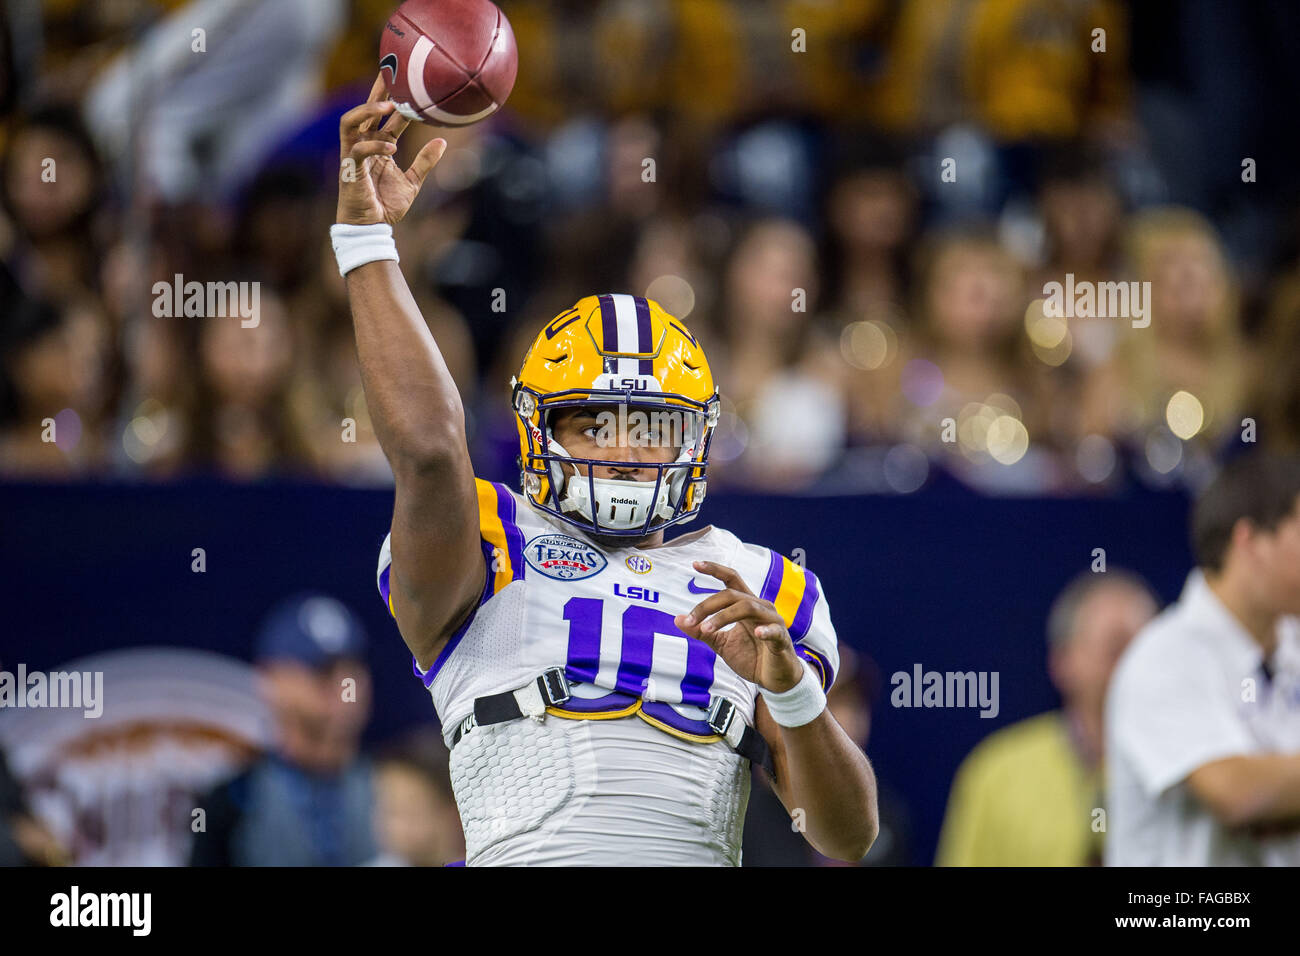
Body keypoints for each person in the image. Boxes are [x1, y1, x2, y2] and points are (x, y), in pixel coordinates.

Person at [336, 75, 878, 866]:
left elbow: (848, 836)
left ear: (694, 441)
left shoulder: (763, 586)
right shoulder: (489, 542)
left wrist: (793, 694)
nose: (624, 446)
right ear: (538, 430)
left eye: (651, 425)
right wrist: (365, 242)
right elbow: (426, 450)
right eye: (593, 421)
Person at [1106, 452, 1300, 865]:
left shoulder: (1292, 644)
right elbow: (1238, 793)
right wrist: (1270, 794)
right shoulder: (1163, 656)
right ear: (1250, 542)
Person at [937, 571, 1156, 866]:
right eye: (1116, 648)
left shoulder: (1192, 770)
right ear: (1062, 661)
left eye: (1150, 649)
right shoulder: (996, 772)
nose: (1136, 664)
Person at [189, 593, 376, 866]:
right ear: (271, 680)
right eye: (323, 671)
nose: (347, 687)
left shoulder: (402, 790)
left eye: (354, 668)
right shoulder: (231, 805)